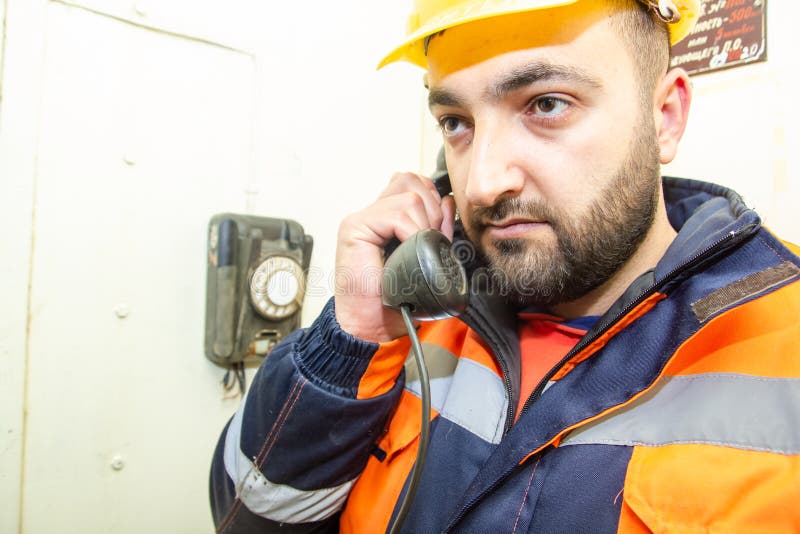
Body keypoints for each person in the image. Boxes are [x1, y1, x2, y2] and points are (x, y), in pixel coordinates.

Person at [210, 0, 800, 532]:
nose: (484, 183)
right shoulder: (416, 314)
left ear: (665, 115)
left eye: (546, 104)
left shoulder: (781, 344)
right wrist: (348, 342)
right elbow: (248, 516)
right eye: (456, 123)